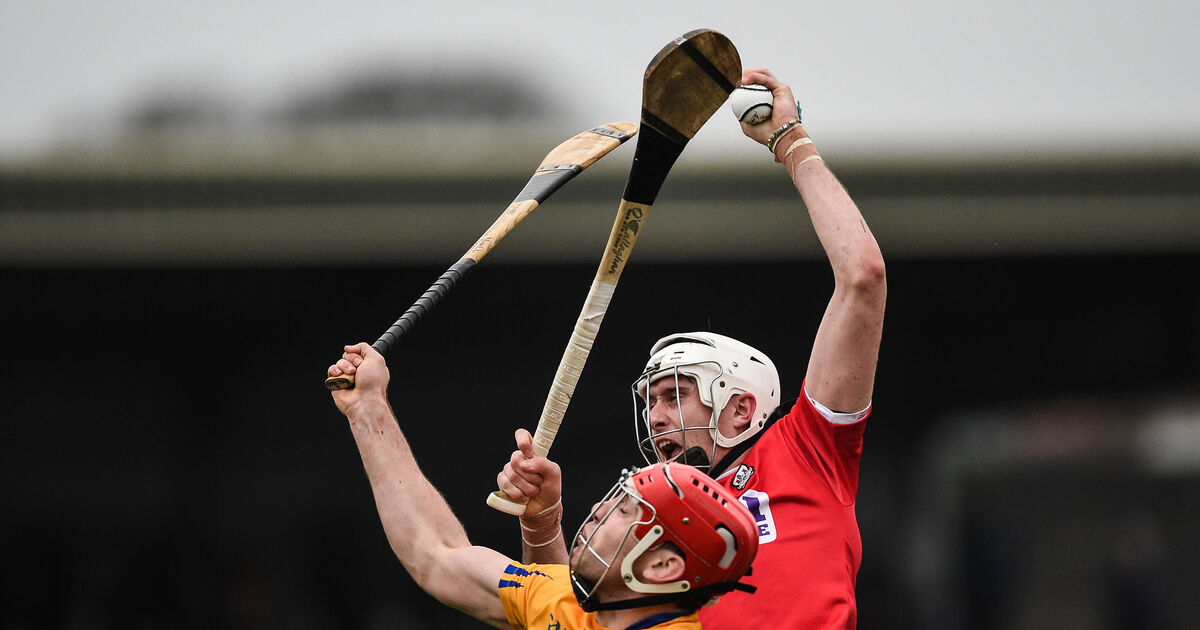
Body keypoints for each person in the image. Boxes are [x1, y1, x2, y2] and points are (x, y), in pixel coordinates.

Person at [496, 67, 886, 629]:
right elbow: (575, 623)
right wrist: (542, 524)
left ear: (742, 407)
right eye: (651, 400)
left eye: (676, 394)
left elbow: (863, 277)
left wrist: (790, 142)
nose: (656, 417)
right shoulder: (645, 515)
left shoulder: (809, 451)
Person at [327, 342, 760, 629]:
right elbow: (438, 557)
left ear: (661, 568)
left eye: (625, 512)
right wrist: (368, 408)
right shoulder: (573, 610)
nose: (596, 513)